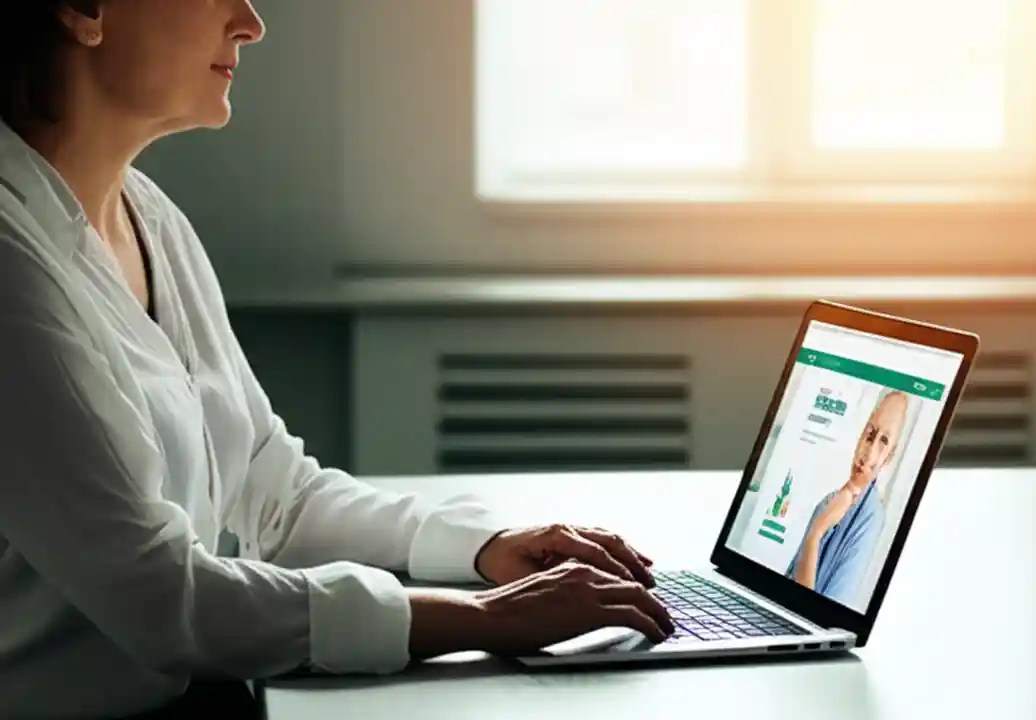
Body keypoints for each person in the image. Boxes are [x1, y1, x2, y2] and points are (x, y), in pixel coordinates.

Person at [0, 2, 673, 717]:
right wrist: (485, 618)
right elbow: (166, 601)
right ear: (84, 10)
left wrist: (486, 547)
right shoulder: (12, 262)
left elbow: (278, 495)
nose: (250, 22)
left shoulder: (148, 216)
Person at [786, 390, 910, 606]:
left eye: (883, 441)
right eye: (869, 435)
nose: (869, 453)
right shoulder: (827, 502)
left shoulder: (872, 520)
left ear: (889, 457)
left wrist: (816, 534)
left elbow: (817, 612)